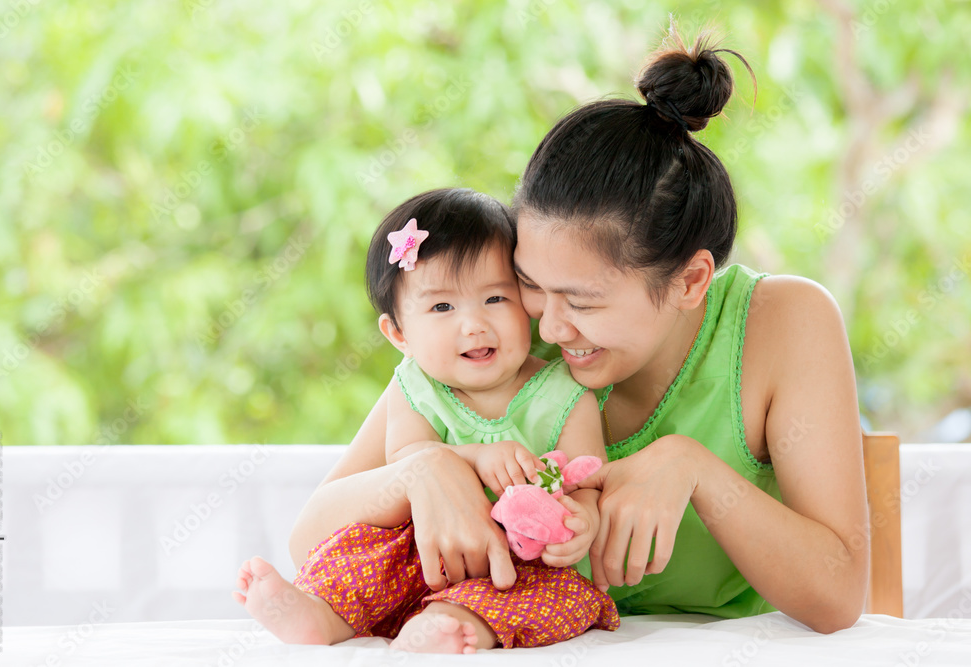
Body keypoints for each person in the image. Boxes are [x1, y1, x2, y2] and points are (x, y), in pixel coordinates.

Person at [287, 32, 869, 635]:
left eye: (582, 301)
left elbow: (837, 597)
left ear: (691, 280)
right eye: (531, 282)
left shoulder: (782, 322)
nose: (551, 324)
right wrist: (422, 470)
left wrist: (690, 467)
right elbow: (309, 540)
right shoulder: (499, 328)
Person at [234, 188, 618, 653]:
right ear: (398, 333)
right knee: (358, 551)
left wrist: (581, 527)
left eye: (495, 297)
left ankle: (453, 622)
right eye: (442, 307)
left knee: (566, 598)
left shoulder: (567, 394)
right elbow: (411, 461)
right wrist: (474, 457)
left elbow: (589, 484)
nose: (473, 324)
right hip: (422, 557)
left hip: (521, 568)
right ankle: (321, 614)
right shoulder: (415, 389)